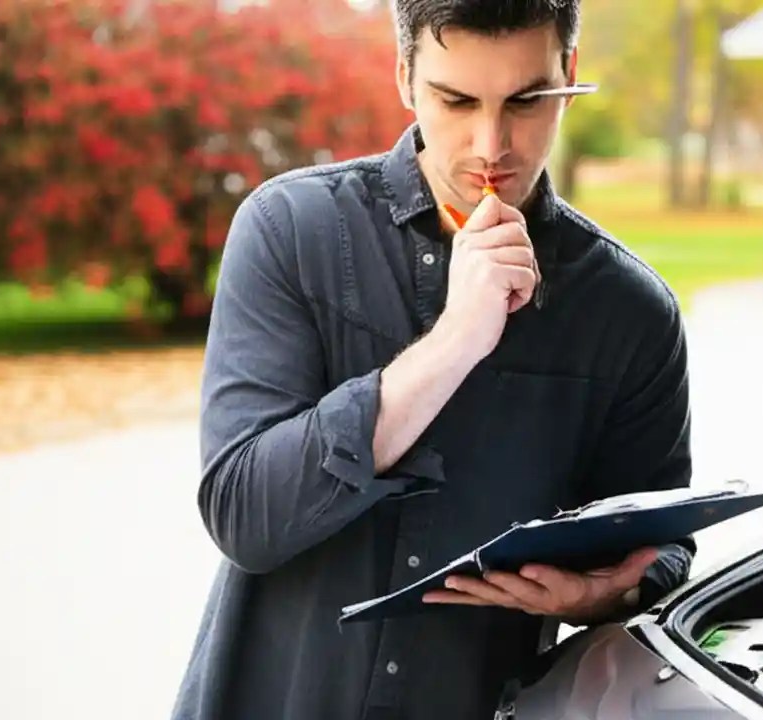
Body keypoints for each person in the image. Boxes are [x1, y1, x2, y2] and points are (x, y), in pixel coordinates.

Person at [170, 1, 695, 718]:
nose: (492, 144)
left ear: (569, 74)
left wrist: (607, 594)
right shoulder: (289, 231)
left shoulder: (631, 312)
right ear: (405, 78)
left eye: (528, 100)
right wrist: (455, 342)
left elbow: (662, 550)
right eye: (456, 101)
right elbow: (244, 518)